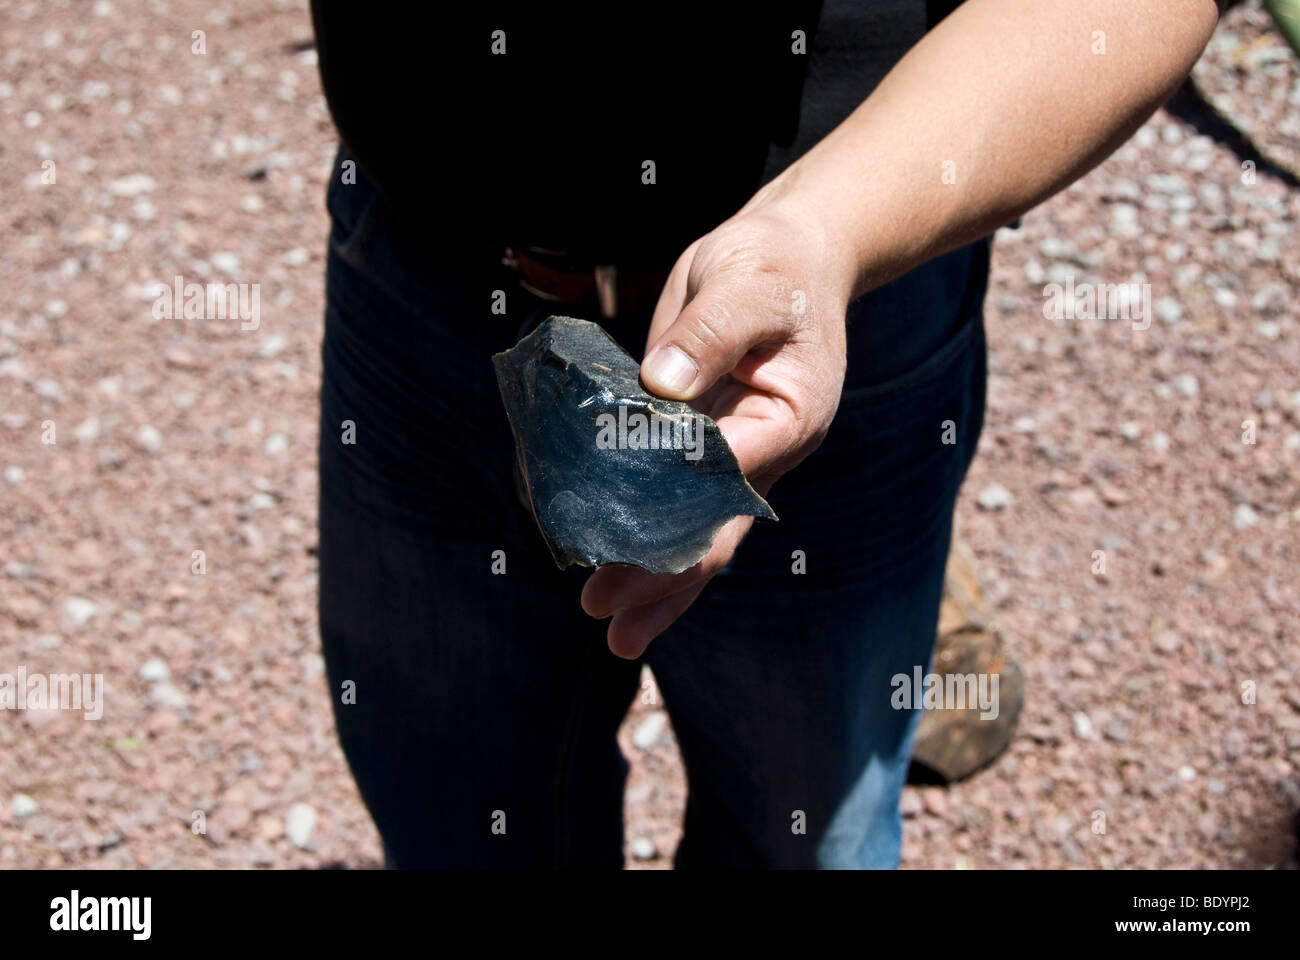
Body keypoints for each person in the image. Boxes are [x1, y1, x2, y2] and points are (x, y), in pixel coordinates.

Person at [308, 0, 1223, 868]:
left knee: (803, 835)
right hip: (418, 270)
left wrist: (826, 231)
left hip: (829, 313)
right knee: (459, 821)